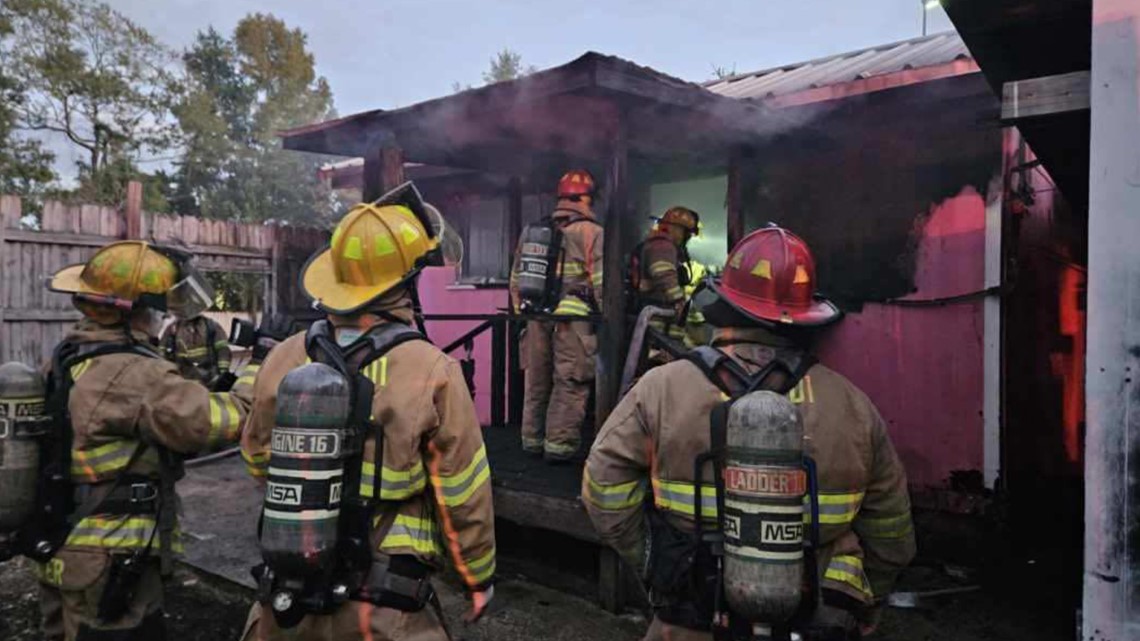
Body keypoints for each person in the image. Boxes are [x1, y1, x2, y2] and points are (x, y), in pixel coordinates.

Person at [583, 226, 915, 640]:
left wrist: (656, 562)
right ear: (805, 317)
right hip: (820, 619)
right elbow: (893, 533)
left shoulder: (662, 388)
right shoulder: (853, 405)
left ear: (724, 305)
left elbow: (603, 489)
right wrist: (866, 598)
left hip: (691, 616)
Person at [239, 190, 496, 641]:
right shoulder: (433, 369)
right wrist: (477, 578)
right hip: (383, 613)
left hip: (283, 607)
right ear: (406, 283)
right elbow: (462, 494)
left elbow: (258, 459)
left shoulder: (282, 357)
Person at [35, 240, 253, 641]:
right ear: (137, 310)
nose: (162, 317)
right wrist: (259, 377)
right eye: (158, 308)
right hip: (111, 554)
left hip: (63, 544)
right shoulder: (131, 372)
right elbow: (212, 424)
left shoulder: (69, 356)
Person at [509, 169, 604, 462]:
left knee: (536, 380)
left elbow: (516, 279)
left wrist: (522, 313)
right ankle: (559, 449)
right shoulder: (592, 232)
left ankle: (531, 441)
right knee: (570, 381)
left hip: (536, 316)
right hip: (572, 323)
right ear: (586, 198)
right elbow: (601, 281)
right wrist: (605, 316)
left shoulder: (533, 231)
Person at [632, 206, 701, 346]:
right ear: (676, 229)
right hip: (658, 320)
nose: (687, 238)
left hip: (660, 319)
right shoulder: (662, 246)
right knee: (656, 358)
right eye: (686, 233)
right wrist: (678, 301)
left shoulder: (660, 244)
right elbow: (663, 273)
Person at [161, 312, 232, 388]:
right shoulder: (172, 329)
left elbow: (223, 351)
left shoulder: (211, 326)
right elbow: (162, 353)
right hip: (182, 380)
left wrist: (222, 374)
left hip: (209, 379)